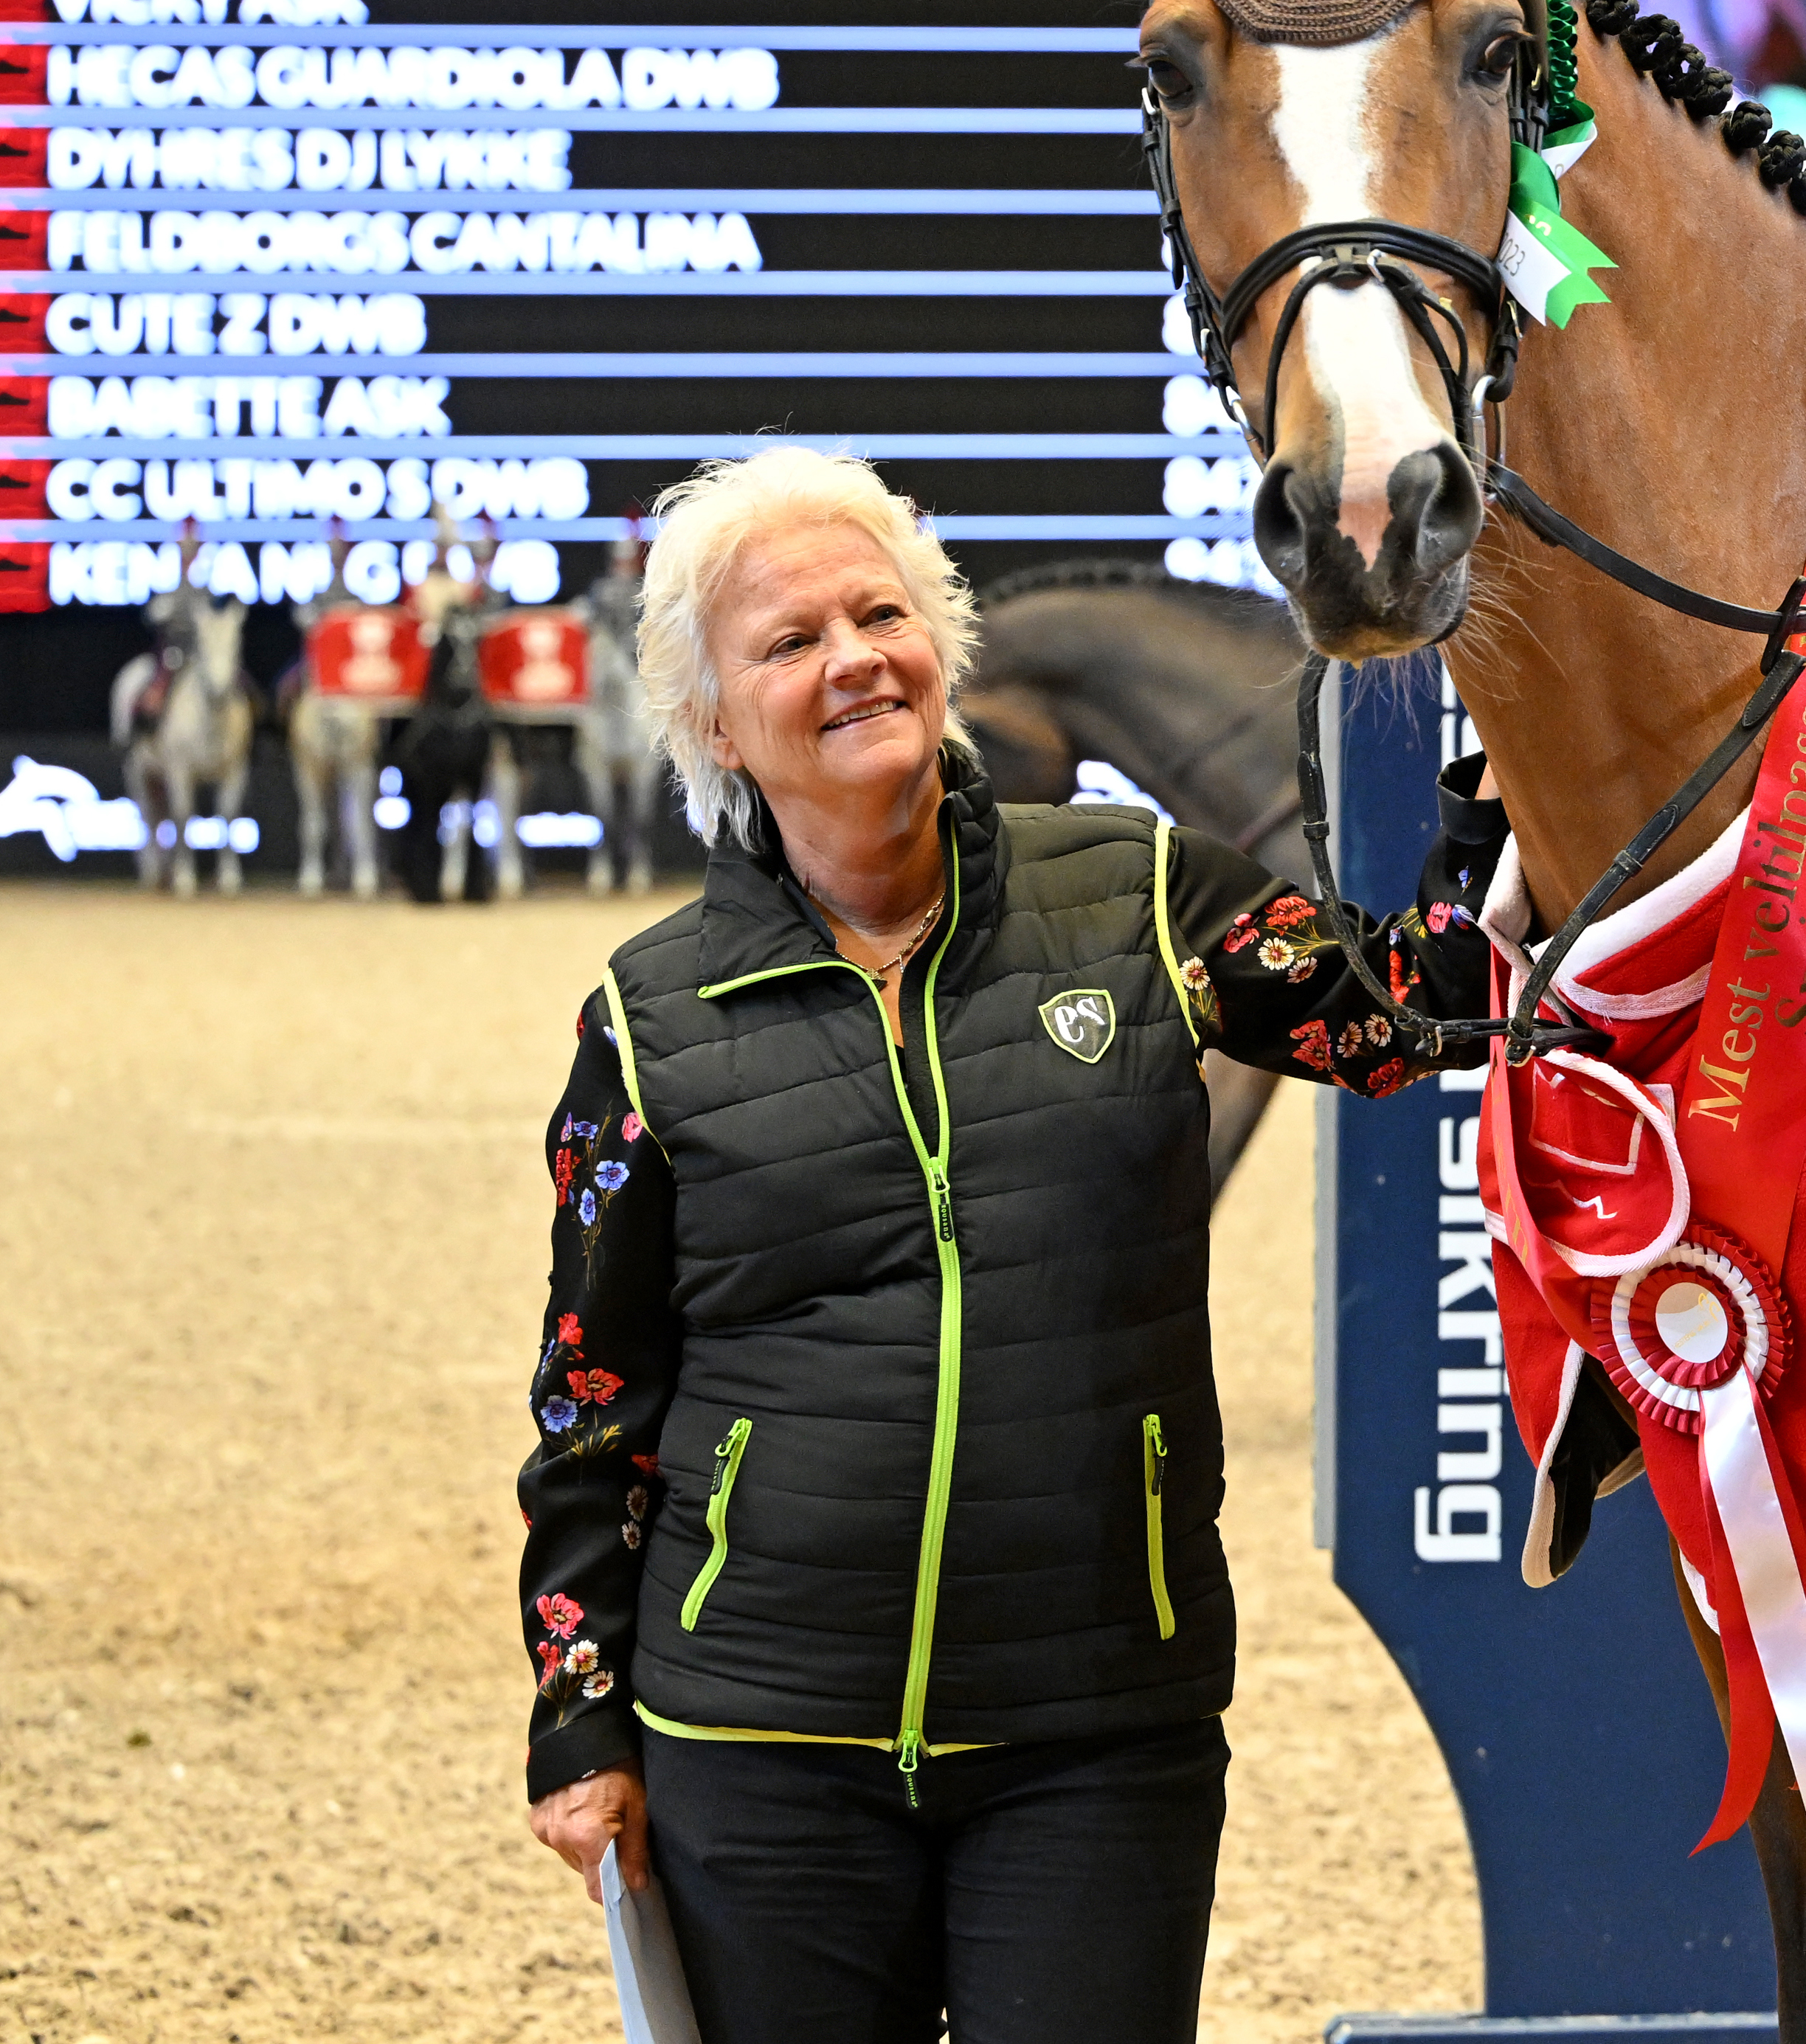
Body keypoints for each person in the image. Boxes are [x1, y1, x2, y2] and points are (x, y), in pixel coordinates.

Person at [515, 445, 1458, 2042]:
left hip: (1098, 1732)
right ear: (709, 723)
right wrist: (579, 1719)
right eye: (790, 641)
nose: (853, 659)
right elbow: (593, 1402)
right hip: (759, 1744)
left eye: (881, 612)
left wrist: (1523, 808)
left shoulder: (1146, 895)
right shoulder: (646, 1020)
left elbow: (1416, 1015)